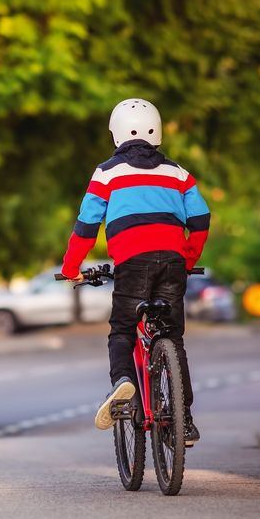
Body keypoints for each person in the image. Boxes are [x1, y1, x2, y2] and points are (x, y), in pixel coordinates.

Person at [60, 98, 210, 446]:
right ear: (156, 132)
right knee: (172, 336)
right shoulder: (178, 173)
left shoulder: (106, 173)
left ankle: (123, 381)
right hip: (172, 261)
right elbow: (201, 219)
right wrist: (187, 259)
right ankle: (184, 421)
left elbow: (86, 225)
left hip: (132, 261)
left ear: (116, 133)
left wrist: (71, 269)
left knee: (123, 330)